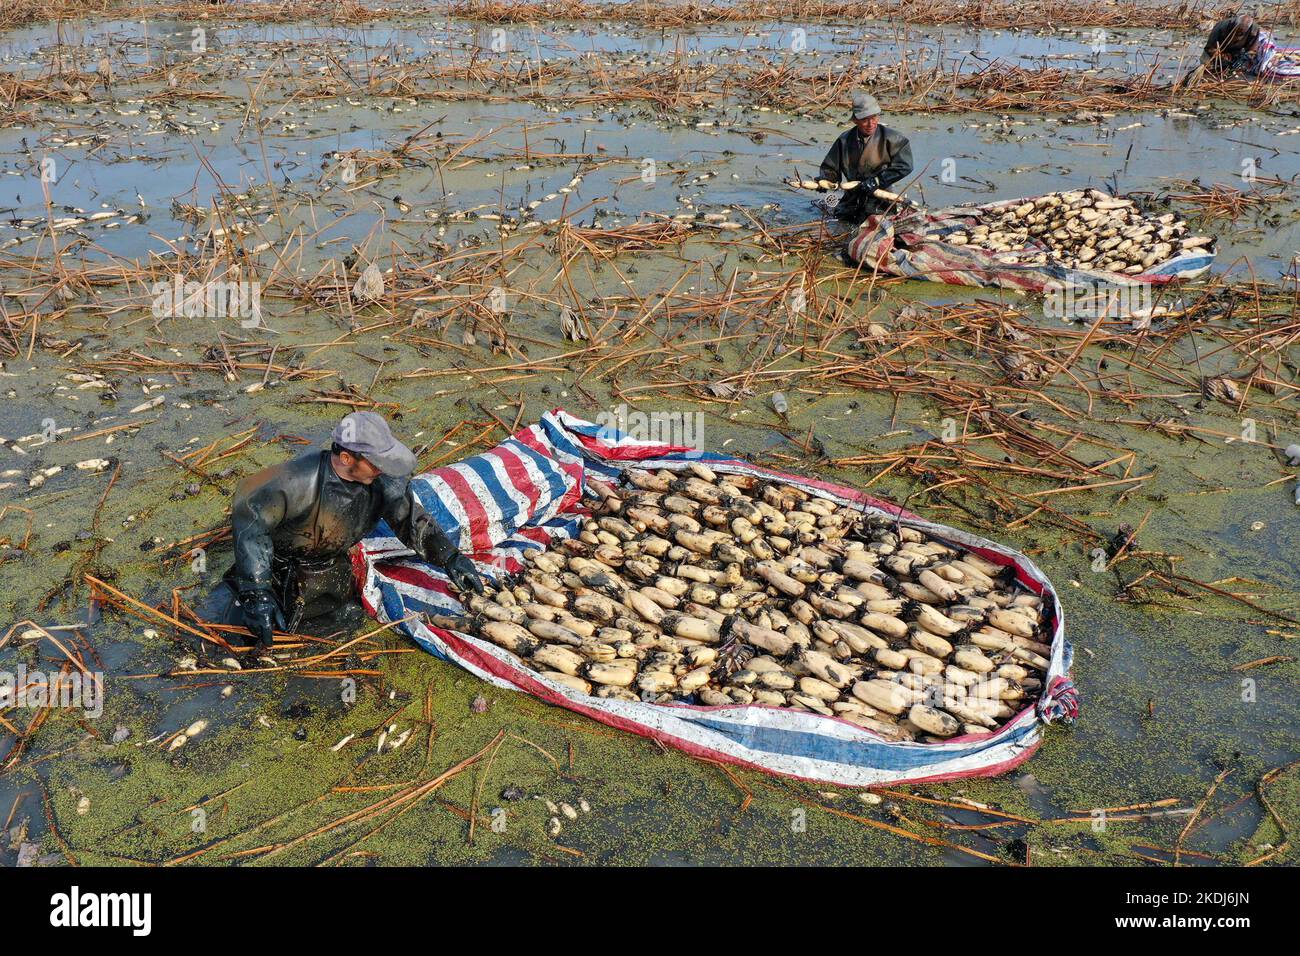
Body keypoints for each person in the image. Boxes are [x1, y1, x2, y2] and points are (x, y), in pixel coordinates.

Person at [202, 411, 484, 653]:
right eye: (376, 462)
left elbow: (411, 520)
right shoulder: (293, 482)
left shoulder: (383, 482)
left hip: (331, 571)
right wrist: (257, 594)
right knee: (244, 639)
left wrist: (450, 557)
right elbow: (252, 528)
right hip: (277, 570)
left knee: (337, 632)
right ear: (347, 458)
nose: (383, 469)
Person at [818, 92, 914, 225]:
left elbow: (905, 166)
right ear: (855, 120)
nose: (871, 124)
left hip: (879, 200)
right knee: (837, 224)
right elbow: (831, 168)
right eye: (864, 119)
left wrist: (877, 181)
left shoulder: (894, 140)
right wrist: (824, 180)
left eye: (874, 117)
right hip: (851, 199)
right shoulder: (844, 140)